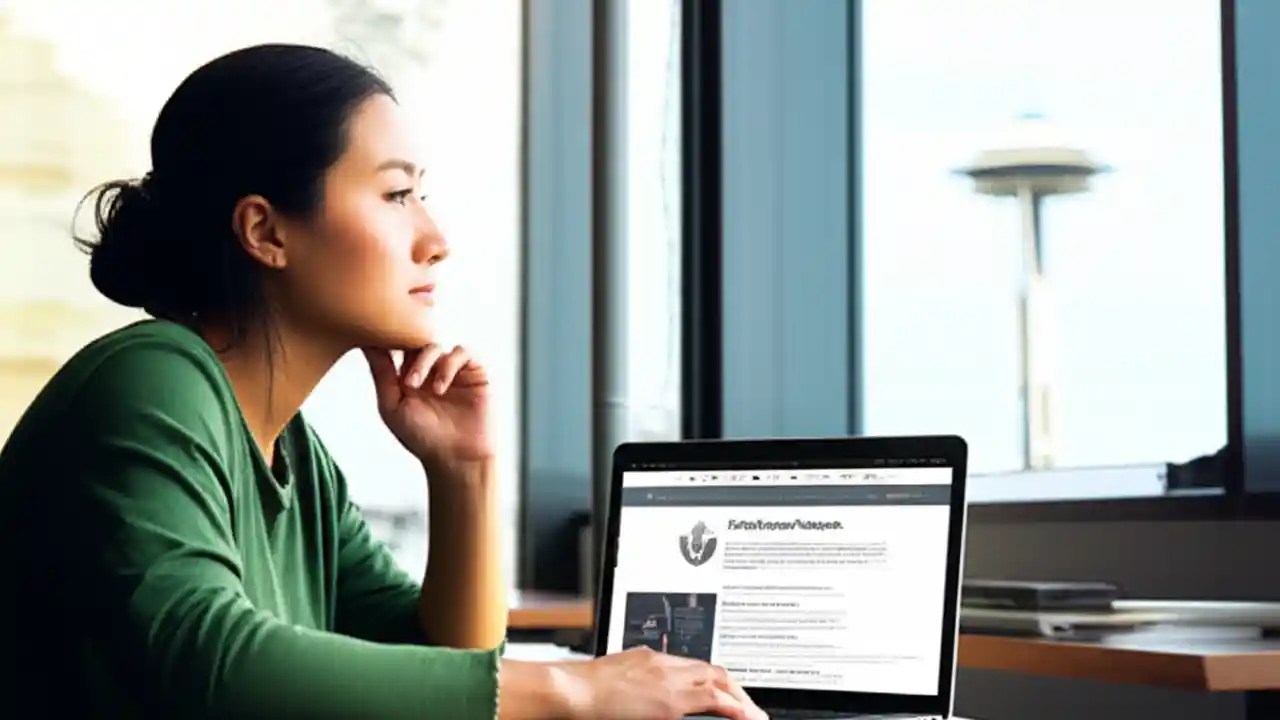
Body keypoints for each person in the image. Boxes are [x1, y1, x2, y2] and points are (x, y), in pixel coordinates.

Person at [0, 43, 767, 720]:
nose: (435, 241)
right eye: (398, 195)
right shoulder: (149, 383)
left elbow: (444, 667)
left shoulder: (292, 450)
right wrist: (577, 689)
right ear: (266, 231)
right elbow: (209, 664)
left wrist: (464, 472)